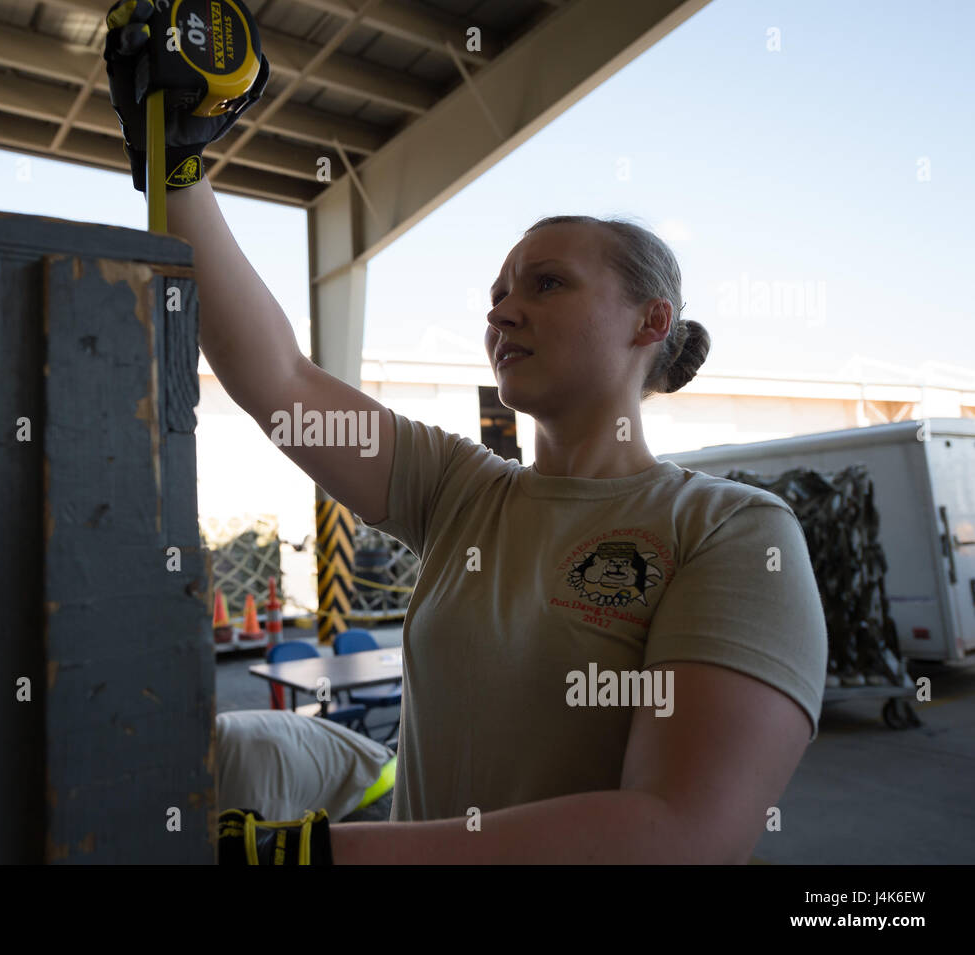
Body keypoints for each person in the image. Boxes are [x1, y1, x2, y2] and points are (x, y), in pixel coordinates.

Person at [105, 2, 827, 864]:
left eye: (546, 283)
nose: (503, 310)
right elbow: (280, 382)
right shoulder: (461, 491)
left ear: (650, 320)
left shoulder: (731, 532)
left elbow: (677, 834)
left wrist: (315, 855)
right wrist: (175, 164)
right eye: (496, 293)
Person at [215, 710, 396, 822]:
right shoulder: (219, 731)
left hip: (372, 794)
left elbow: (265, 846)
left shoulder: (249, 786)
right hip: (369, 775)